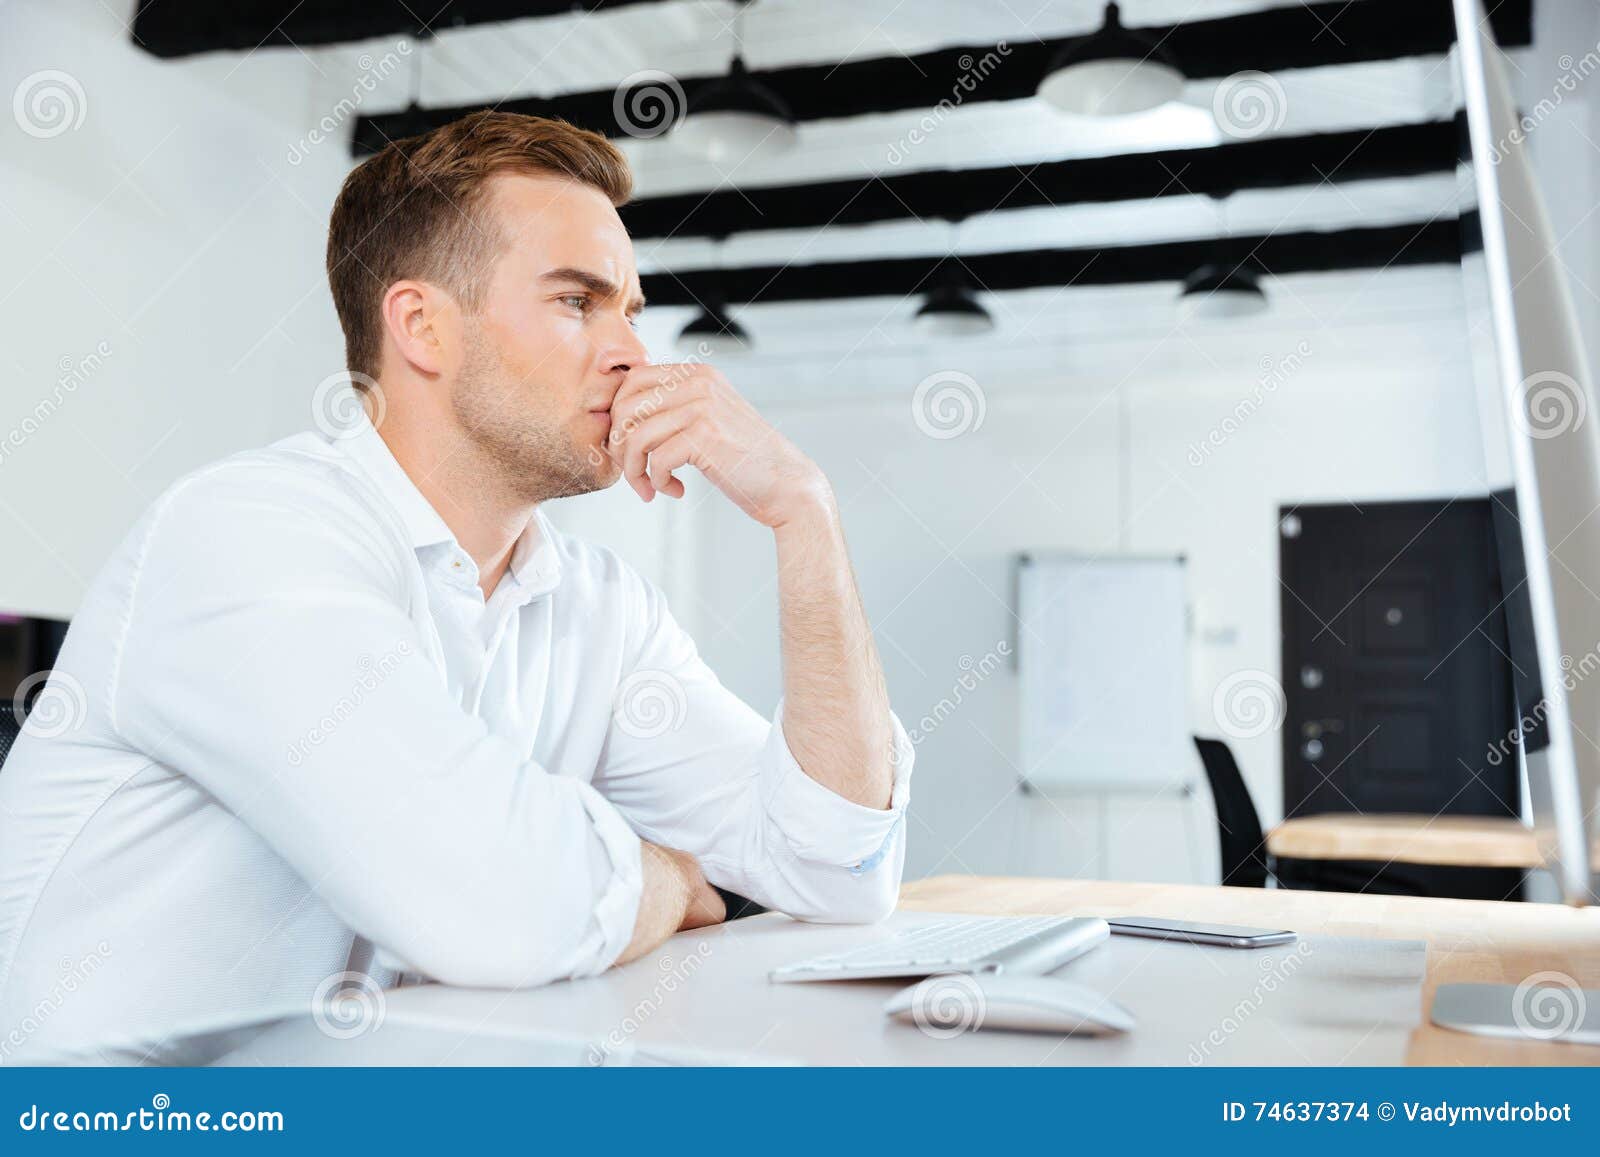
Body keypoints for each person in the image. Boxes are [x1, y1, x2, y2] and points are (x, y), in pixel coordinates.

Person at [0, 111, 912, 1064]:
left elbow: (836, 866)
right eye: (577, 302)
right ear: (422, 326)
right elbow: (493, 901)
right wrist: (673, 878)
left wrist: (804, 514)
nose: (634, 354)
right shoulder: (245, 534)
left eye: (631, 311)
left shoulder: (597, 604)